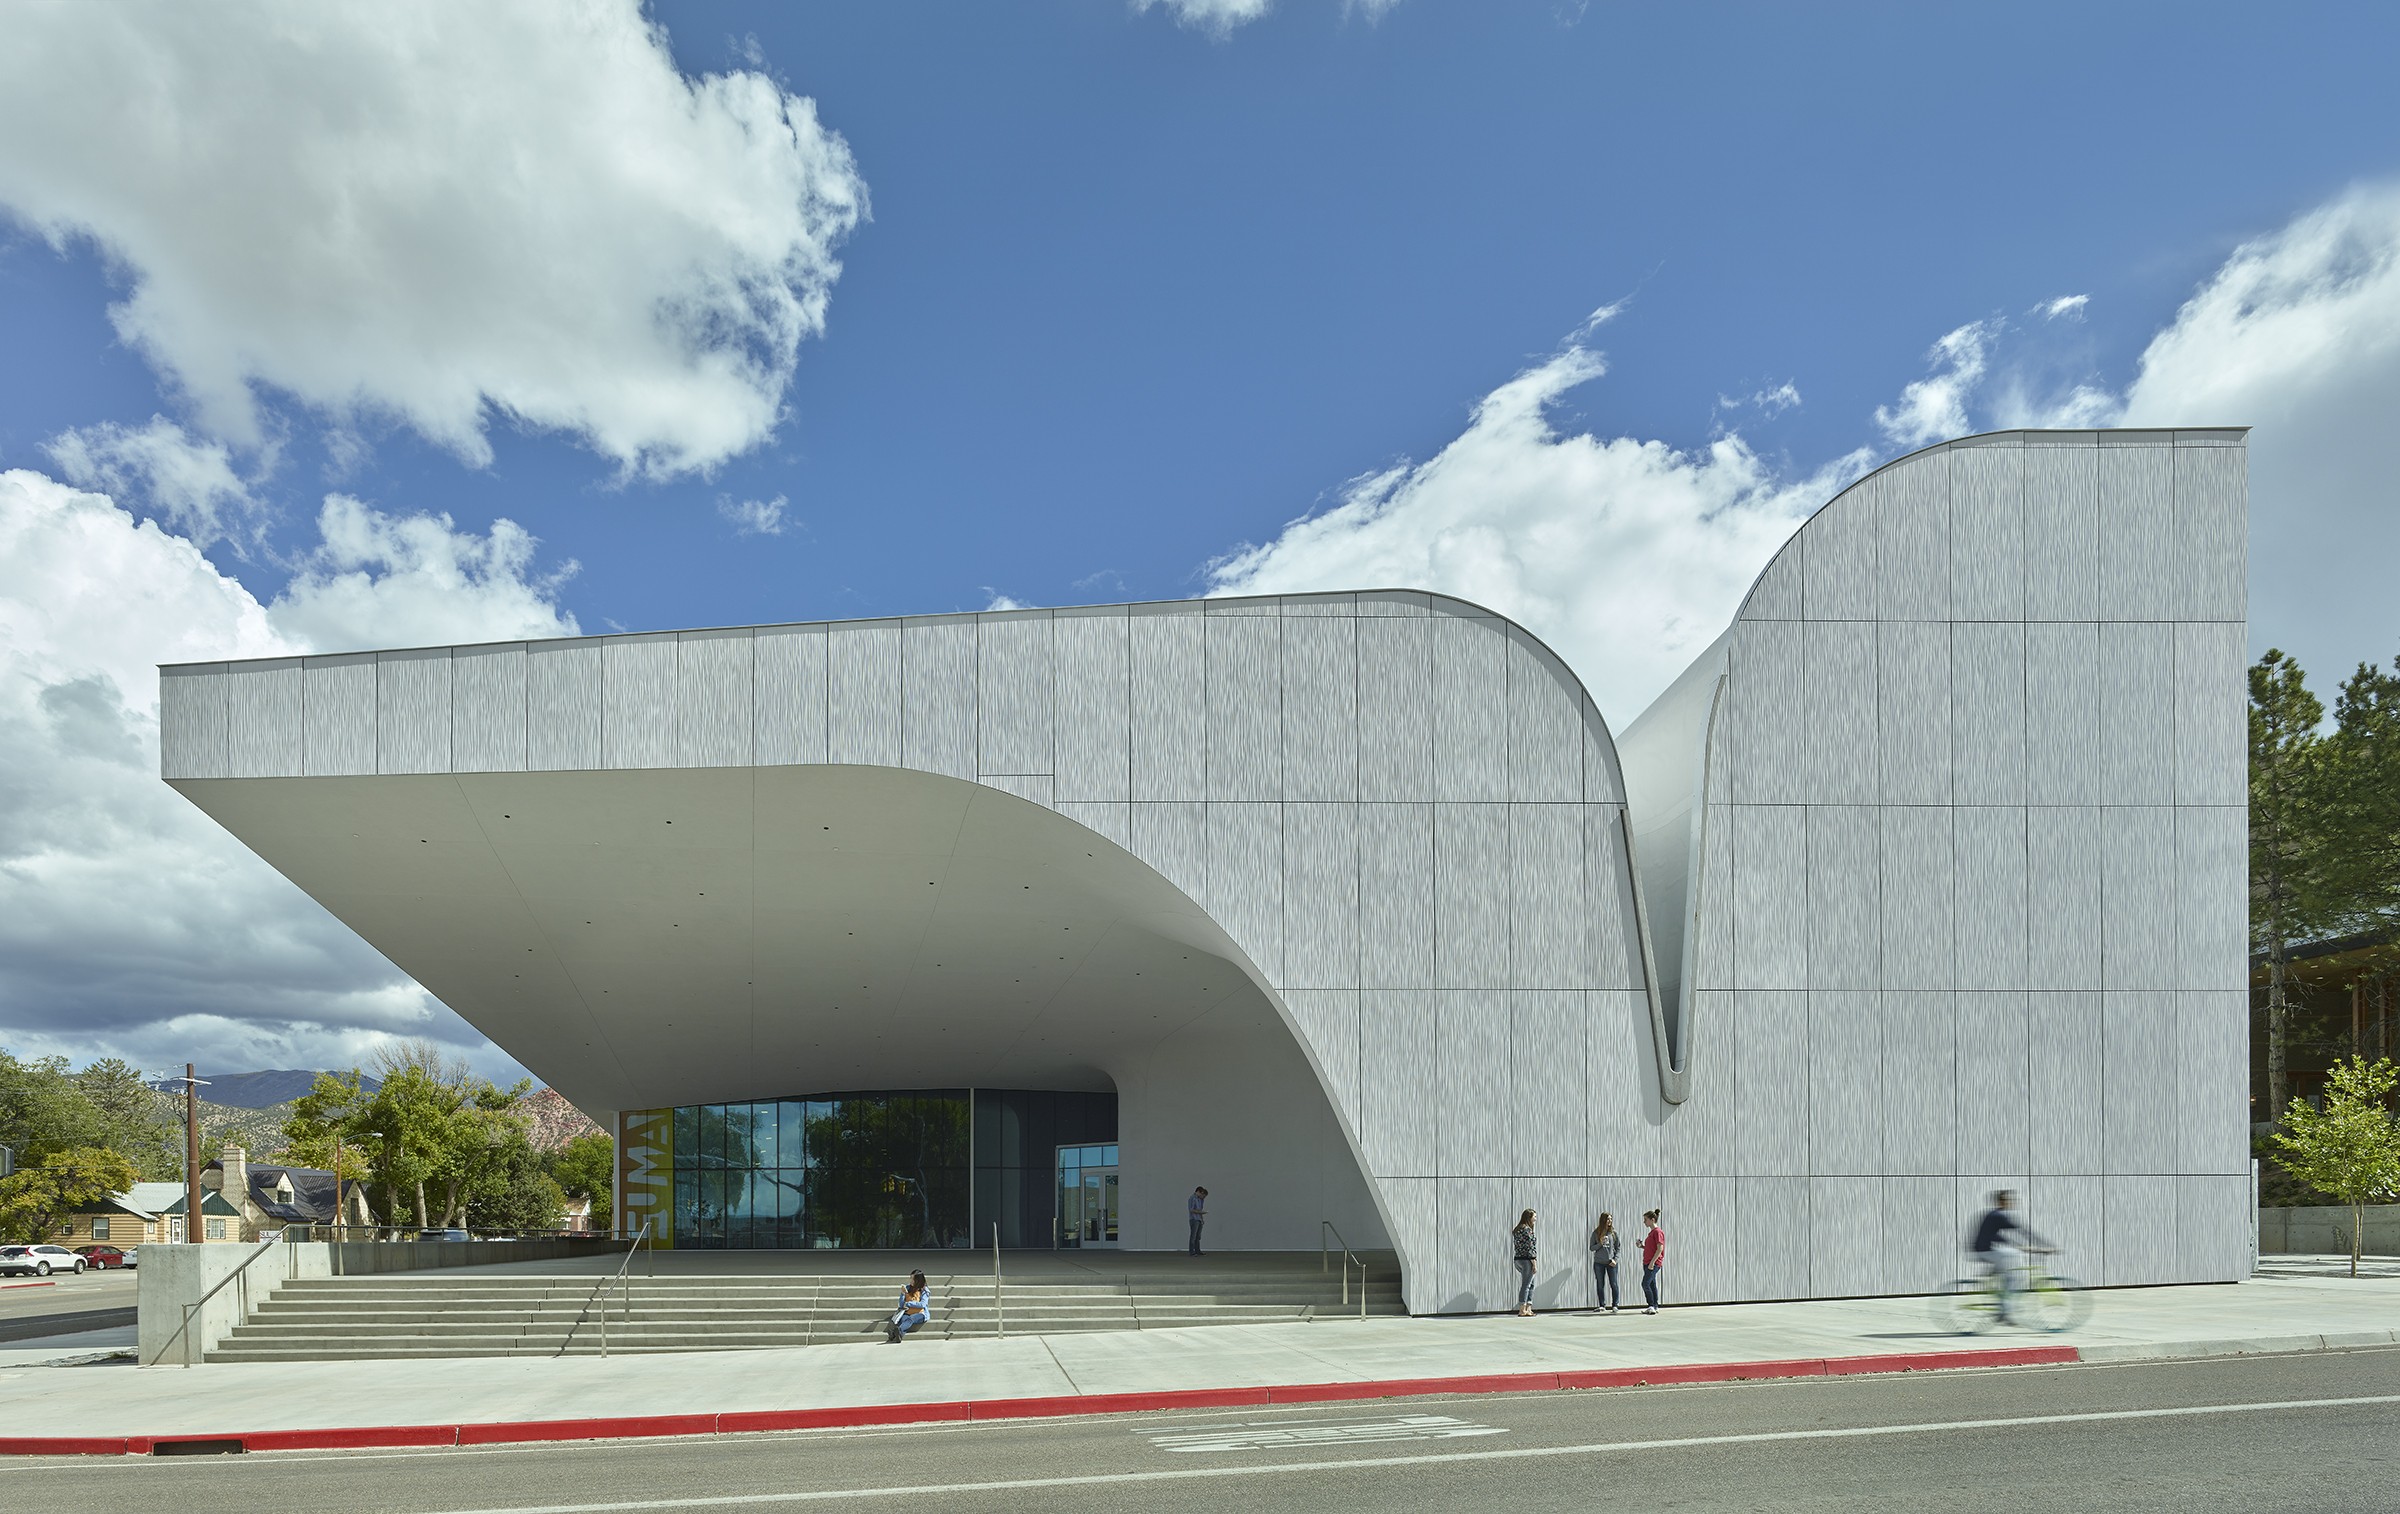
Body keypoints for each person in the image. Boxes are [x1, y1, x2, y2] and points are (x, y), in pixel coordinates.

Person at [1968, 1190, 2049, 1324]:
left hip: (1986, 1249)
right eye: (2008, 1200)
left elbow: (1999, 1236)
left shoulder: (1994, 1215)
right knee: (2015, 1275)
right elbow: (2023, 1231)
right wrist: (2042, 1246)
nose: (2011, 1203)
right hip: (1986, 1250)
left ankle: (2001, 1307)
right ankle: (2005, 1312)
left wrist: (2024, 1246)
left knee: (2010, 1259)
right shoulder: (1998, 1215)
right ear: (2001, 1202)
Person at [887, 1268, 931, 1343]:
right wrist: (903, 1294)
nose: (911, 1281)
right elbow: (901, 1305)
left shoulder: (924, 1290)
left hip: (920, 1314)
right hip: (907, 1312)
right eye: (910, 1278)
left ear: (918, 1280)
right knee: (904, 1320)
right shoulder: (907, 1288)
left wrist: (908, 1303)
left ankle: (894, 1334)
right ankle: (899, 1334)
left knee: (911, 1318)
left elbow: (922, 1304)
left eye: (913, 1279)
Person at [1592, 1212, 1622, 1314]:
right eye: (1608, 1219)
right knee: (1600, 1284)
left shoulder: (1613, 1233)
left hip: (1611, 1263)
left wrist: (1615, 1259)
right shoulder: (1596, 1233)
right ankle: (1602, 1305)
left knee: (1614, 1283)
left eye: (1611, 1219)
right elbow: (1591, 1248)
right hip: (1599, 1263)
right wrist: (1601, 1243)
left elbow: (1618, 1248)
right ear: (1603, 1220)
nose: (1610, 1221)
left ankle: (1615, 1305)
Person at [1510, 1209, 1539, 1316]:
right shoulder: (1527, 1230)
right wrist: (1534, 1263)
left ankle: (1528, 1309)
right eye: (1534, 1217)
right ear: (1529, 1218)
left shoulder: (1517, 1229)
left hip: (1518, 1260)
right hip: (1527, 1260)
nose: (1535, 1219)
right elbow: (1530, 1248)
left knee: (1530, 1284)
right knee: (1527, 1285)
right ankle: (1522, 1310)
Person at [1638, 1209, 1665, 1314]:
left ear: (1652, 1220)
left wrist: (1652, 1263)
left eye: (1645, 1220)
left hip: (1652, 1263)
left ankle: (1651, 1305)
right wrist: (1642, 1246)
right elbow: (1652, 1248)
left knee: (1645, 1284)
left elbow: (1660, 1249)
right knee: (1652, 1284)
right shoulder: (1652, 1233)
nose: (1644, 1222)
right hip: (1648, 1262)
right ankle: (1655, 1306)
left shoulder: (1658, 1232)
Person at [1187, 1186, 1208, 1256]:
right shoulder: (1192, 1198)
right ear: (1198, 1192)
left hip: (1199, 1219)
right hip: (1194, 1219)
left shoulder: (1200, 1200)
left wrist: (1202, 1219)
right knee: (1193, 1236)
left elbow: (1200, 1209)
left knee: (1198, 1237)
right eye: (1202, 1194)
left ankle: (1197, 1250)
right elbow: (1191, 1210)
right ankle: (1192, 1252)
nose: (1203, 1197)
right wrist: (1201, 1213)